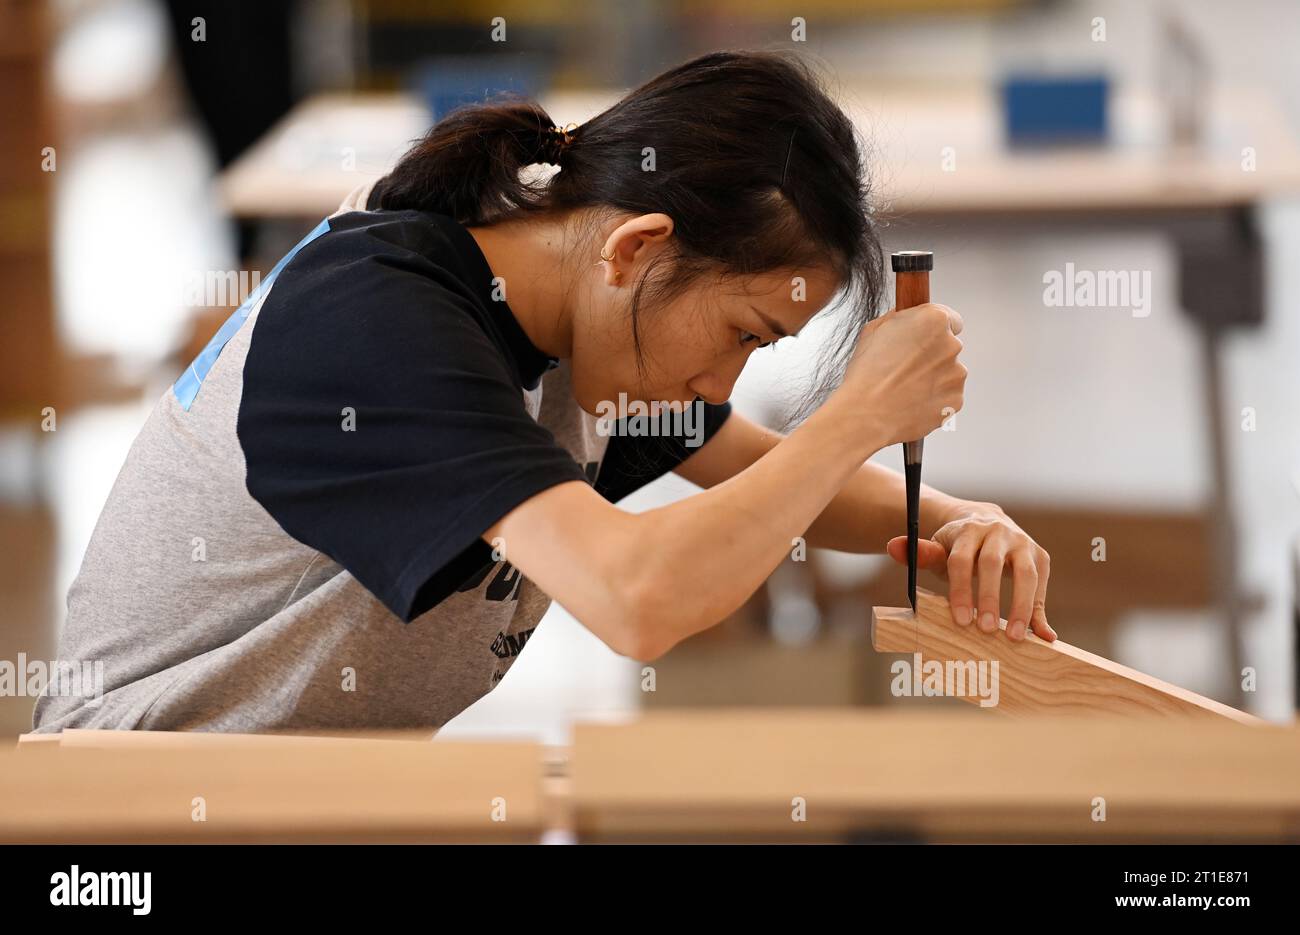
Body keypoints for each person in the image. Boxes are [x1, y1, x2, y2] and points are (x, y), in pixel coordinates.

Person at [33, 50, 1053, 735]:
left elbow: (771, 478)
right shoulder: (383, 322)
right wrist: (861, 413)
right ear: (638, 247)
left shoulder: (576, 319)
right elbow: (637, 599)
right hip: (139, 808)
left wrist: (953, 522)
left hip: (310, 793)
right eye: (744, 334)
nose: (723, 382)